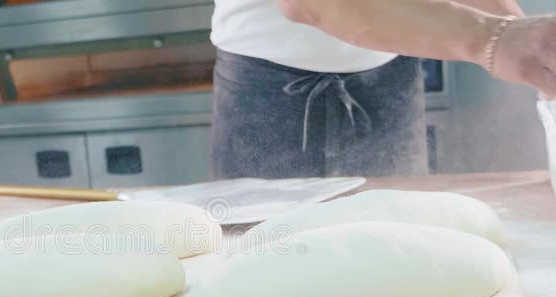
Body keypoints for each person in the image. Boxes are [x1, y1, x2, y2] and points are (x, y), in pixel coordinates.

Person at [211, 0, 555, 180]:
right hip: (273, 95)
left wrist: (536, 47)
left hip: (390, 80)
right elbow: (309, 3)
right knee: (272, 260)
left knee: (402, 247)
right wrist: (493, 39)